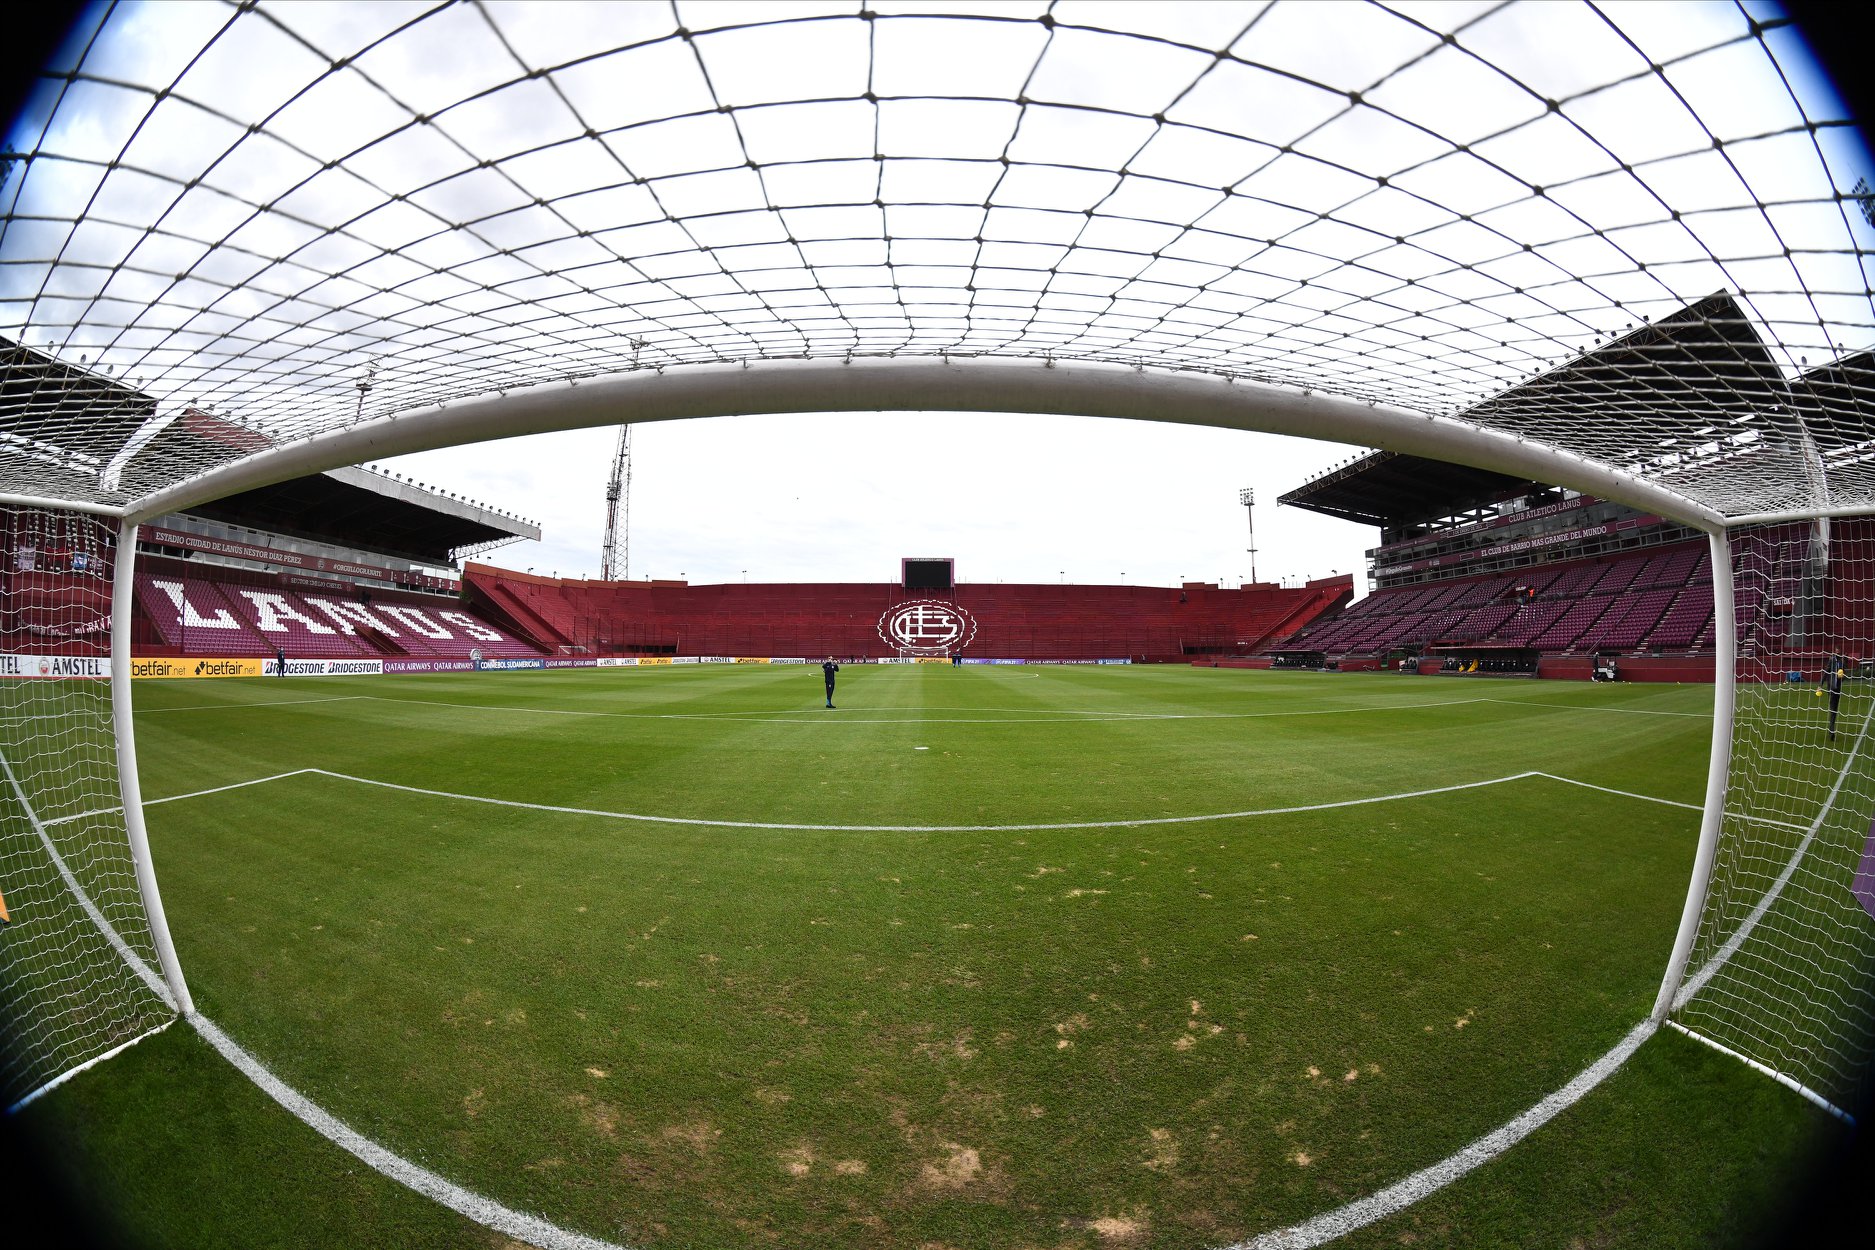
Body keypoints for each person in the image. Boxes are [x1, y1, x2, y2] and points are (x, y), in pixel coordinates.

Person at [1822, 655, 1847, 741]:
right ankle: (1832, 731)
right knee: (1833, 711)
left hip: (1837, 690)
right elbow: (1825, 674)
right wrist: (1820, 685)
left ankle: (1831, 730)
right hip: (1831, 689)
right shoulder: (1831, 665)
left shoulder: (1842, 665)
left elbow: (1843, 678)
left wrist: (1841, 677)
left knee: (1834, 710)